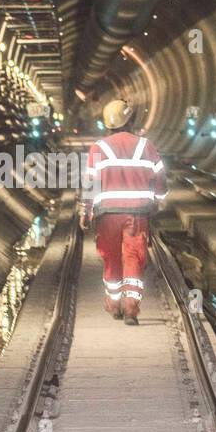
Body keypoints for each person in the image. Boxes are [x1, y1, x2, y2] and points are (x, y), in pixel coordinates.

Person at [79, 99, 167, 325]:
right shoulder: (145, 146)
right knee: (134, 258)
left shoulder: (98, 147)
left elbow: (90, 183)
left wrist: (85, 211)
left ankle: (113, 304)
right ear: (130, 120)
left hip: (107, 215)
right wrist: (159, 198)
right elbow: (159, 177)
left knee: (111, 259)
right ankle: (130, 309)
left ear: (108, 123)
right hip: (137, 214)